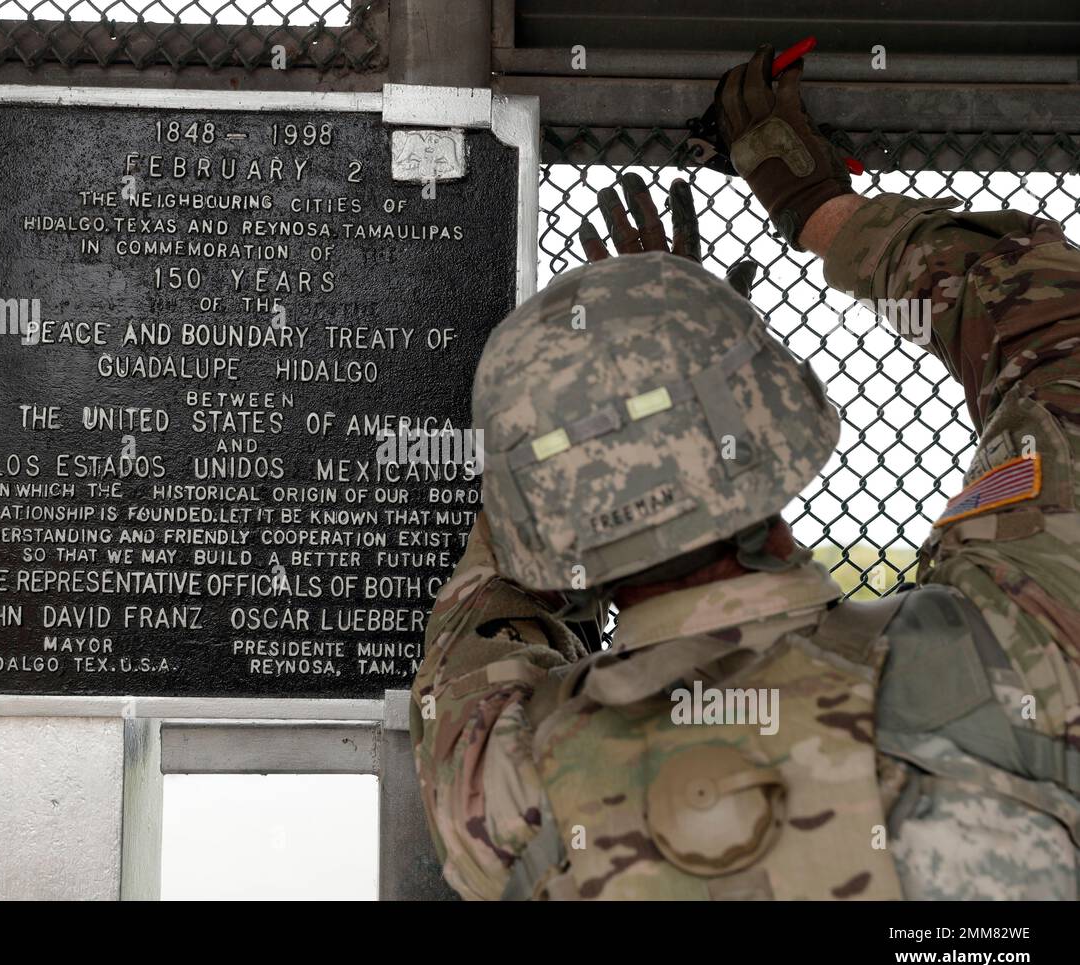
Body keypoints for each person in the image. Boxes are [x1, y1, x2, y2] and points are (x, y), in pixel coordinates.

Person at [410, 45, 1080, 900]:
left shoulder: (502, 788)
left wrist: (595, 386)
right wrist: (819, 211)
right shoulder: (1020, 654)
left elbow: (489, 613)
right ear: (771, 432)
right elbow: (1049, 324)